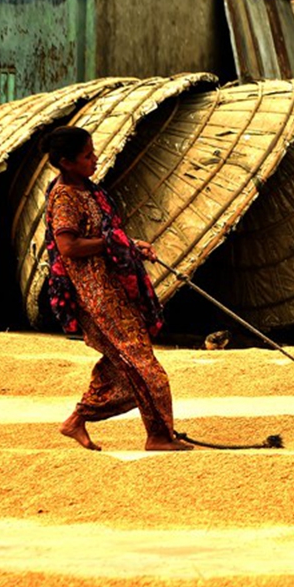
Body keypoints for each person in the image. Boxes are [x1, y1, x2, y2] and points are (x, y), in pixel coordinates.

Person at [42, 126, 192, 452]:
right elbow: (68, 246)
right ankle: (159, 436)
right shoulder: (65, 197)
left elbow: (105, 238)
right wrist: (112, 244)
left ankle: (77, 419)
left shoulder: (87, 190)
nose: (95, 159)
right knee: (146, 368)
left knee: (123, 369)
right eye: (87, 155)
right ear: (67, 162)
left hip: (113, 290)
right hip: (95, 296)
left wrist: (130, 246)